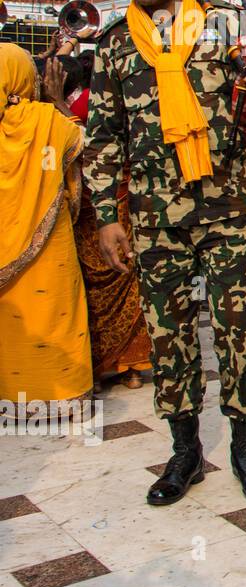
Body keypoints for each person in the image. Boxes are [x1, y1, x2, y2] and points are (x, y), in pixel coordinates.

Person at [84, 0, 246, 506]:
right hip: (153, 216)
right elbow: (103, 136)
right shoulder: (116, 43)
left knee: (238, 330)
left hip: (226, 210)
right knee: (168, 334)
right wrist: (107, 216)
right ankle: (184, 449)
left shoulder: (229, 27)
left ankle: (245, 446)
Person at [45, 53, 153, 391]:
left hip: (110, 205)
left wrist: (58, 105)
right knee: (106, 285)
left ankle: (125, 366)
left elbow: (88, 145)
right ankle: (117, 367)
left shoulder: (91, 103)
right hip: (95, 210)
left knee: (120, 279)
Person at [0, 42, 92, 406]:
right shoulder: (46, 120)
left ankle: (11, 398)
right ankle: (63, 396)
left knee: (11, 322)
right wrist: (57, 103)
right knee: (54, 313)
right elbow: (84, 146)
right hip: (50, 246)